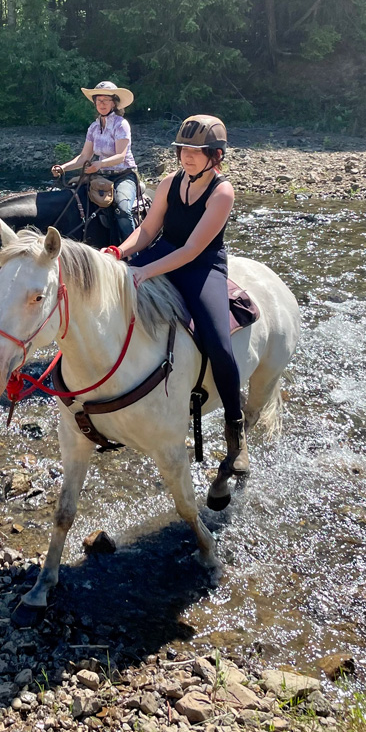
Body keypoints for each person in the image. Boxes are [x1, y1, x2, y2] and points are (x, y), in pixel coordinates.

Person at [107, 114, 246, 505]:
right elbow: (149, 231)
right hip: (163, 252)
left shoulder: (223, 193)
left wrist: (144, 272)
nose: (186, 157)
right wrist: (122, 252)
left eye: (195, 152)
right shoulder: (170, 182)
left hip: (202, 267)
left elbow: (192, 250)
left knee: (219, 343)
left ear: (214, 156)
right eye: (183, 150)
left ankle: (235, 434)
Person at [51, 80, 140, 241]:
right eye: (99, 100)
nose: (102, 103)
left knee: (123, 209)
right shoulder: (93, 127)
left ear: (114, 103)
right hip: (102, 175)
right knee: (75, 198)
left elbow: (121, 155)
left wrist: (100, 164)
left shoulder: (121, 125)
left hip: (124, 175)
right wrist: (63, 168)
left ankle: (134, 253)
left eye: (106, 100)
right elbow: (84, 157)